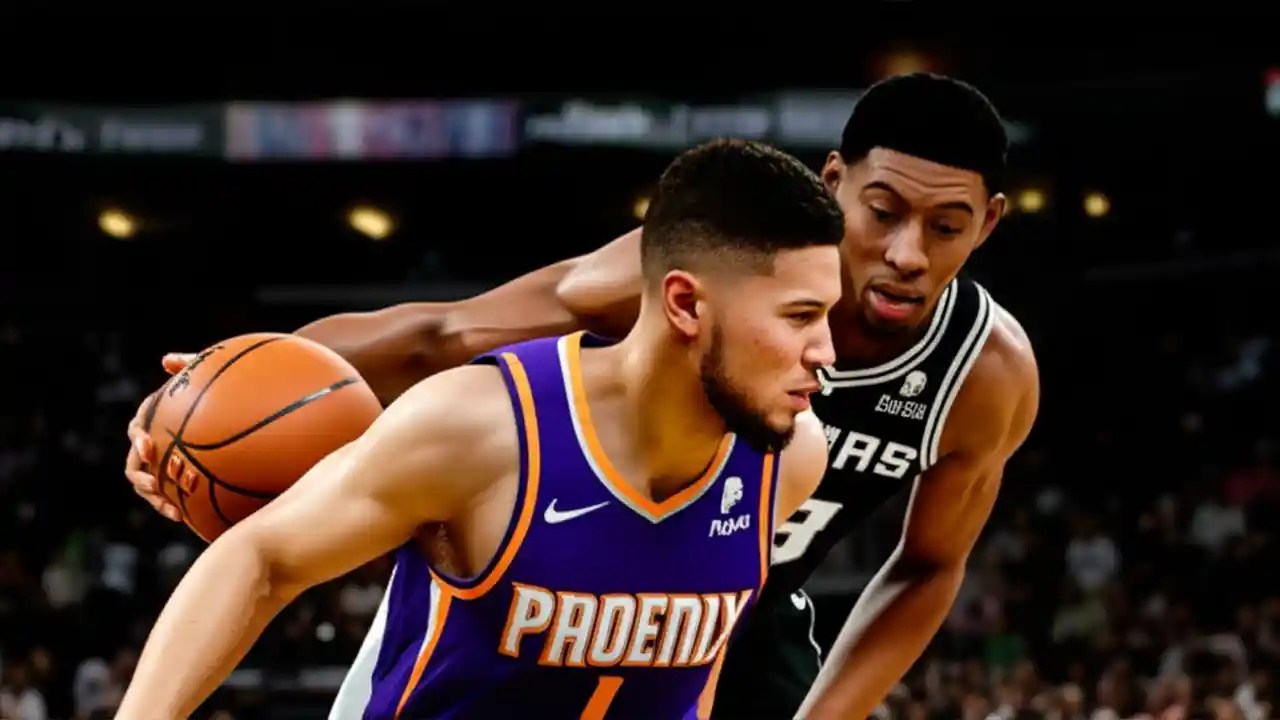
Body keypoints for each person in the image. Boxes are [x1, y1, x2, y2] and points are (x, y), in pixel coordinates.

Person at [125, 72, 1041, 720]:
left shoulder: (967, 382)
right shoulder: (636, 299)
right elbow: (445, 332)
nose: (907, 252)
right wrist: (225, 381)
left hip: (733, 607)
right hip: (545, 544)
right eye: (883, 213)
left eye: (946, 226)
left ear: (989, 224)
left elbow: (929, 569)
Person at [115, 138, 844, 720]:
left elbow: (689, 682)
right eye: (800, 317)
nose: (827, 351)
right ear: (685, 305)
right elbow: (260, 558)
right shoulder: (484, 426)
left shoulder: (790, 457)